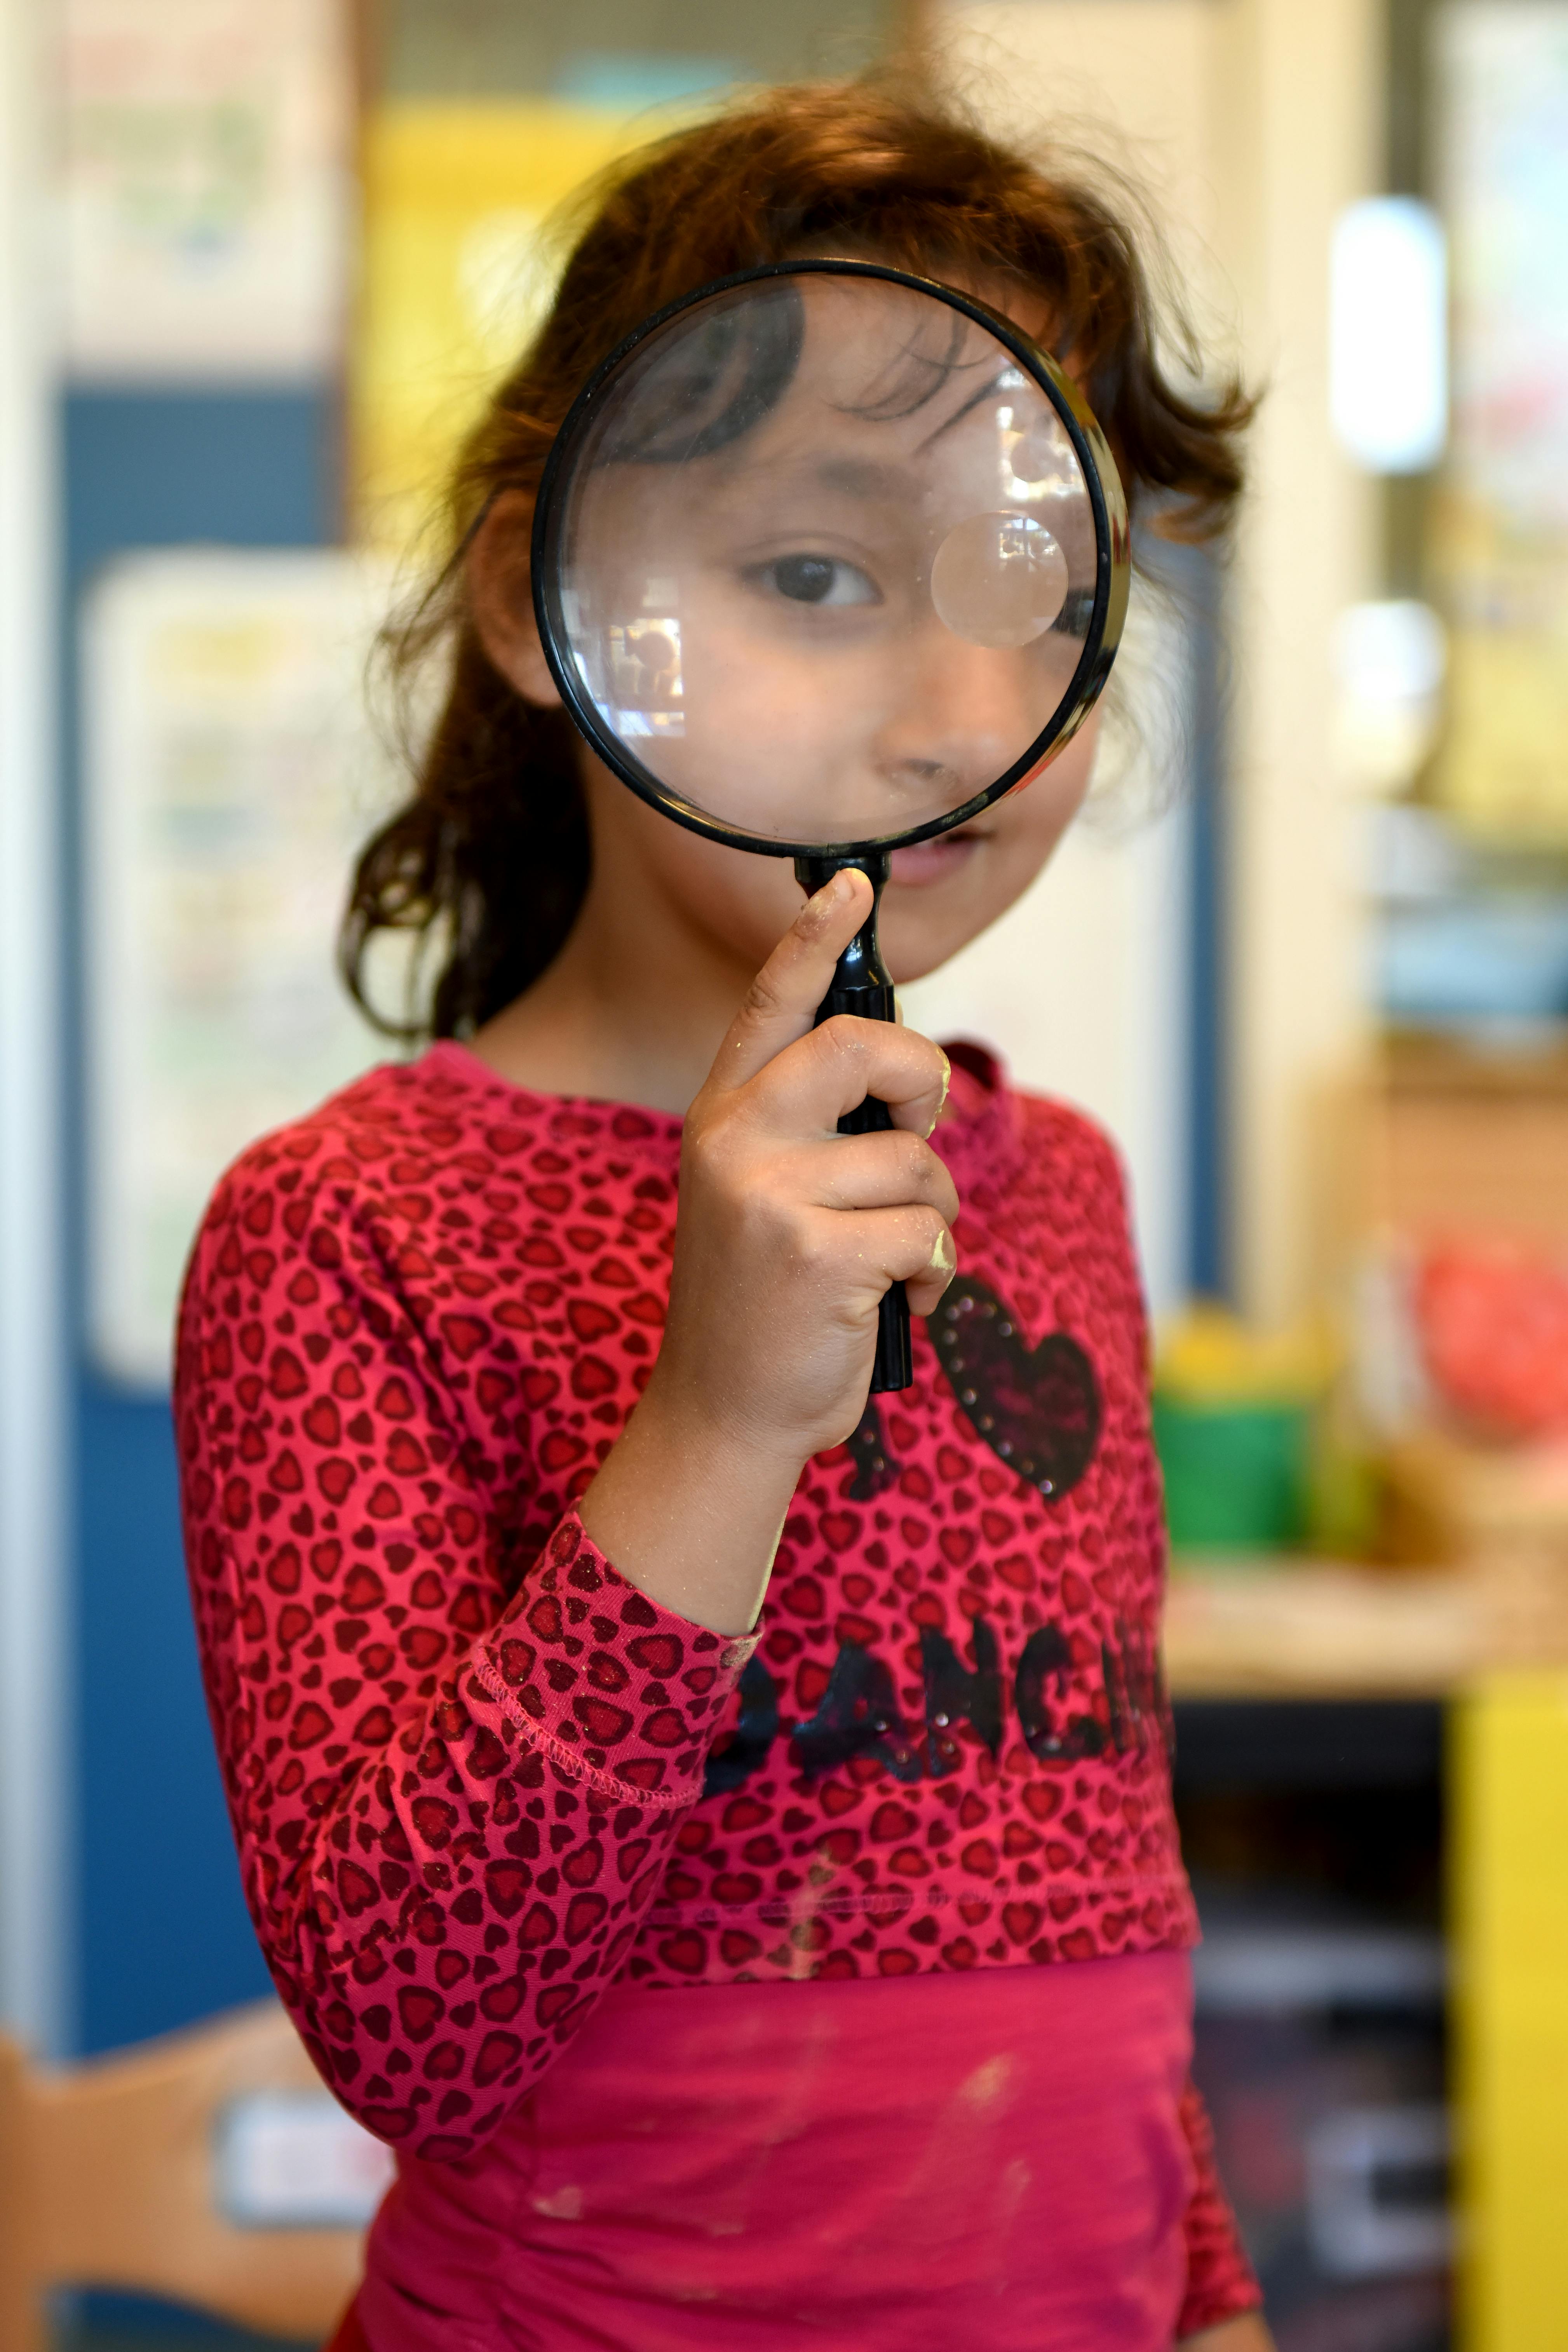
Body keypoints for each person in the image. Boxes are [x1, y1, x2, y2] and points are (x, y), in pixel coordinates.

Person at [175, 77, 1271, 2352]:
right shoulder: (349, 1234)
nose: (954, 708)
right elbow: (410, 2018)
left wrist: (1207, 2298)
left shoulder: (1052, 1190)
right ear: (530, 598)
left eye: (1039, 595)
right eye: (812, 574)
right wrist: (710, 1409)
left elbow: (1106, 1902)